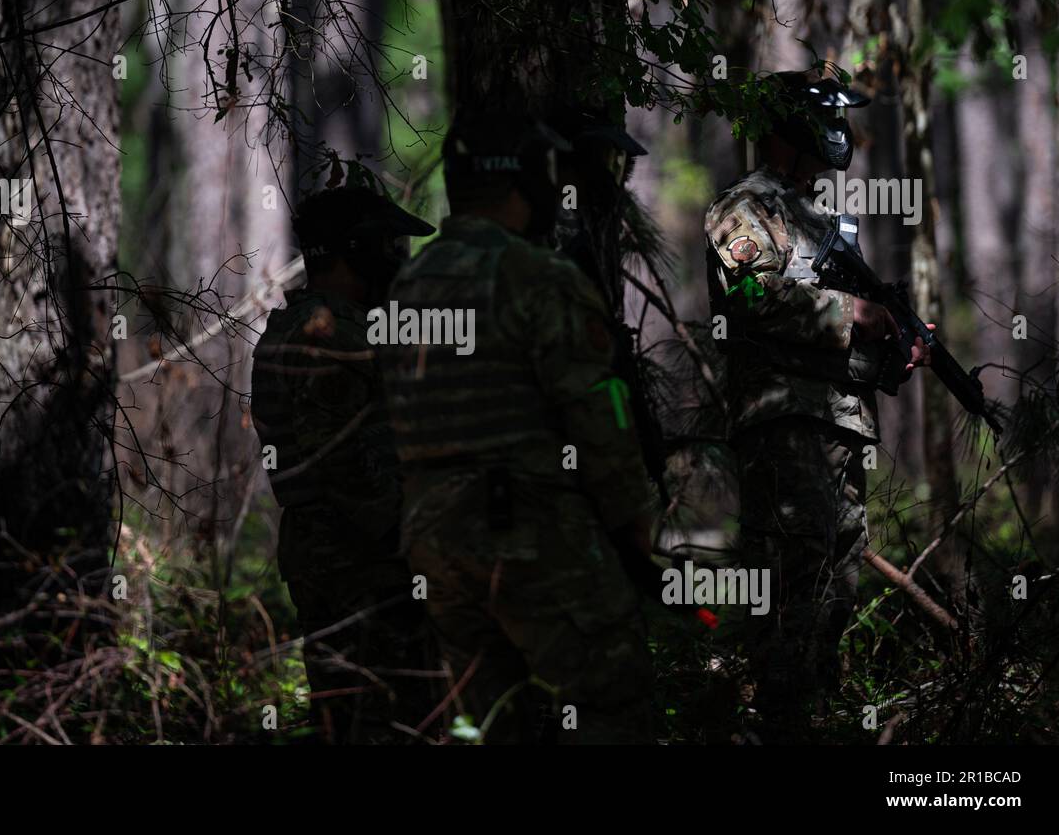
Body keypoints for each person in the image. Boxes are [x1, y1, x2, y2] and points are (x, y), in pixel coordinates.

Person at [378, 114, 658, 744]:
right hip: (527, 526)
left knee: (495, 722)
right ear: (522, 183)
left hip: (433, 541)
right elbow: (598, 413)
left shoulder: (406, 287)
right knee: (612, 701)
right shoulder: (539, 276)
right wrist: (634, 529)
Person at [703, 70, 932, 741]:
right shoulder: (742, 208)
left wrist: (897, 346)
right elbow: (751, 298)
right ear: (794, 128)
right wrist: (853, 310)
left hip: (840, 427)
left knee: (835, 590)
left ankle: (810, 720)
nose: (840, 135)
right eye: (826, 120)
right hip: (786, 428)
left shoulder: (817, 218)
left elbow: (851, 340)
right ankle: (773, 724)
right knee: (788, 592)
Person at [250, 186, 435, 743]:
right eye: (387, 245)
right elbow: (339, 460)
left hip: (344, 554)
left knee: (359, 715)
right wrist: (410, 534)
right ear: (355, 250)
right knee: (383, 718)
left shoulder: (333, 324)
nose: (397, 258)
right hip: (360, 561)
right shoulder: (324, 332)